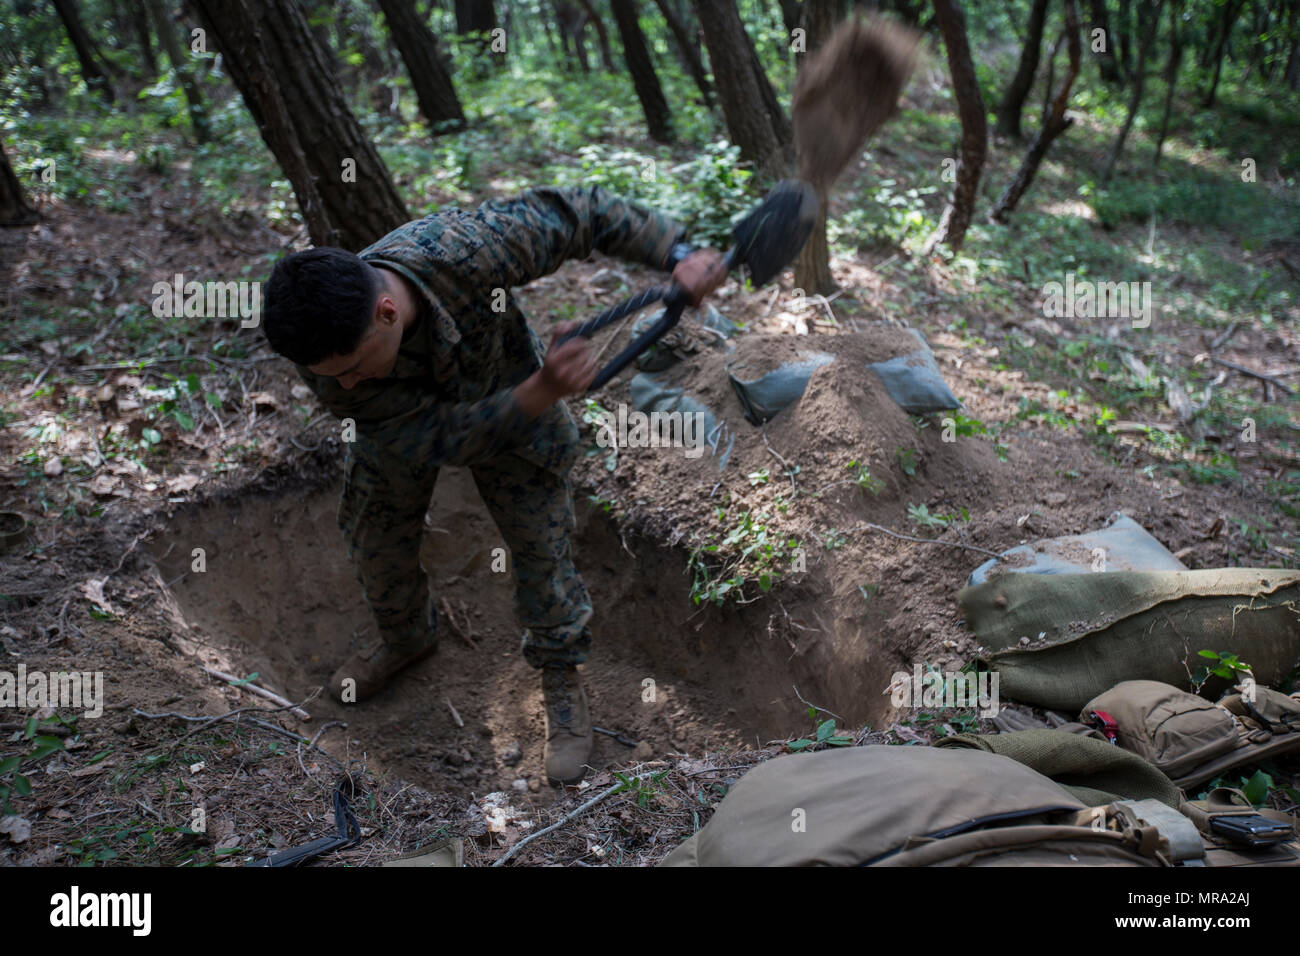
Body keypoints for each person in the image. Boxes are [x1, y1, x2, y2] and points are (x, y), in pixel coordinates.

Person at [260, 186, 726, 784]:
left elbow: (578, 213)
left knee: (540, 546)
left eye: (351, 369)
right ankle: (405, 638)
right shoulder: (324, 350)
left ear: (386, 312)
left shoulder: (465, 250)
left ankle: (561, 678)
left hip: (513, 405)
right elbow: (438, 438)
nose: (344, 387)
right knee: (375, 538)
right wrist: (547, 389)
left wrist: (678, 253)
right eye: (334, 377)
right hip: (412, 430)